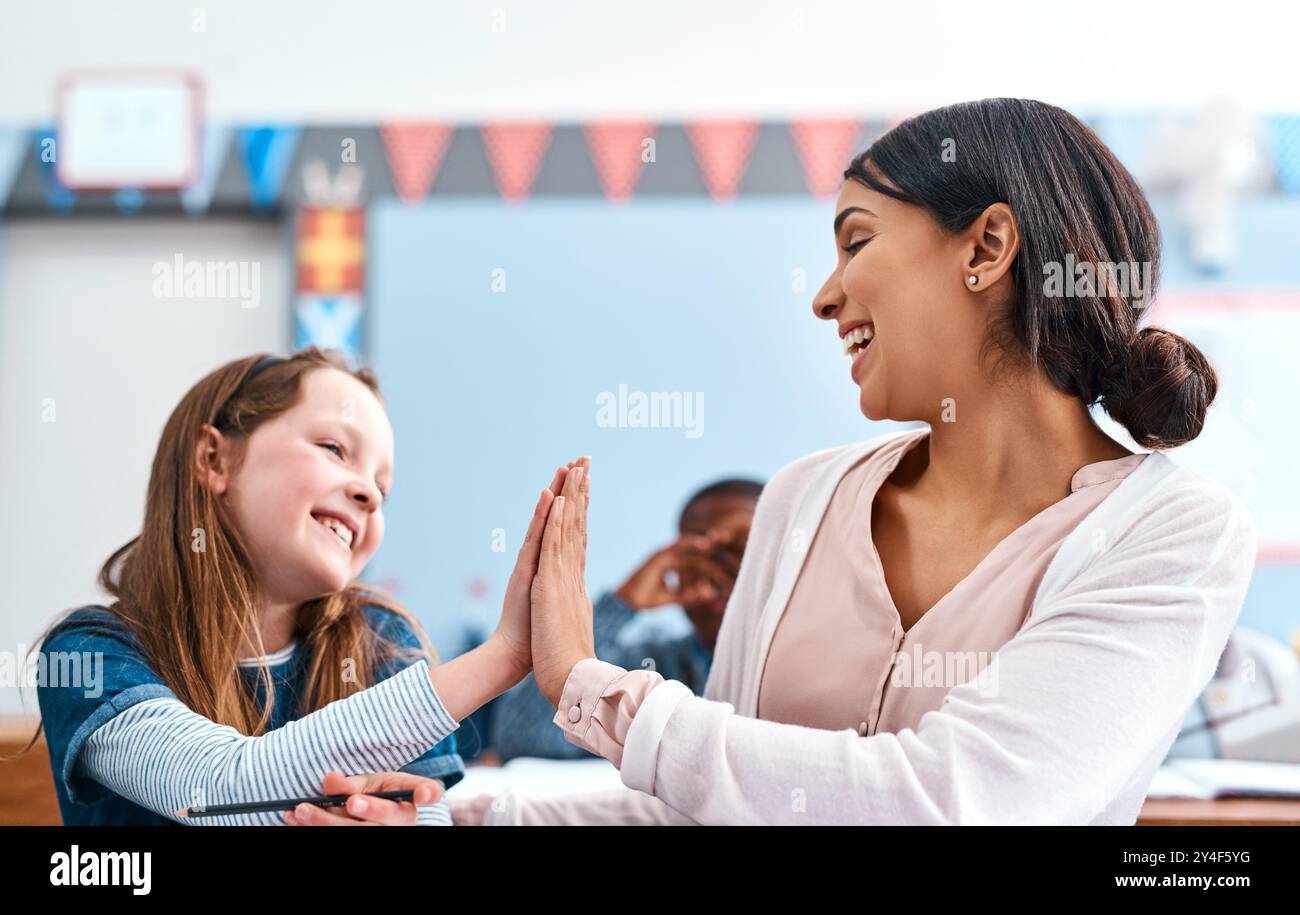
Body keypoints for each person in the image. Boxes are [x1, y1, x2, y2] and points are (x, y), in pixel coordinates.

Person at [476, 98, 1260, 825]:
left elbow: (957, 800)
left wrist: (594, 686)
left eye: (857, 241)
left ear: (986, 246)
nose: (824, 296)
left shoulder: (1173, 534)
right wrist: (458, 816)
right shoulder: (801, 498)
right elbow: (698, 809)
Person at [26, 346, 581, 825]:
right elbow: (214, 789)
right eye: (335, 449)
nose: (366, 492)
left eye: (381, 490)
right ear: (214, 459)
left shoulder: (383, 640)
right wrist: (504, 656)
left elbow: (426, 809)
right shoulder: (90, 656)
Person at [480, 479, 760, 763]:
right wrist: (621, 604)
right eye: (698, 554)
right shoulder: (653, 663)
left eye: (738, 553)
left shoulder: (798, 663)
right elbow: (521, 739)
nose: (714, 574)